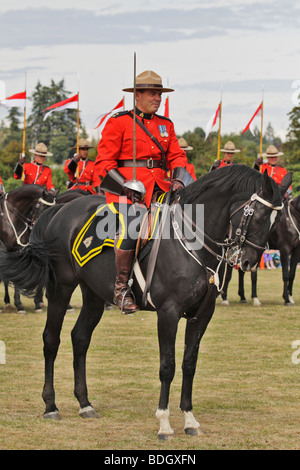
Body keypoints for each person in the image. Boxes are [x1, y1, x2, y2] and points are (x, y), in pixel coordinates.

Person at [94, 70, 193, 313]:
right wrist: (125, 188)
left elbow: (177, 156)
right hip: (126, 191)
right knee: (134, 224)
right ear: (137, 95)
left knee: (192, 218)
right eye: (152, 93)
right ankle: (121, 290)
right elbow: (103, 164)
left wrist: (179, 178)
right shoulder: (119, 122)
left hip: (160, 188)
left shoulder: (165, 125)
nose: (157, 98)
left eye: (159, 93)